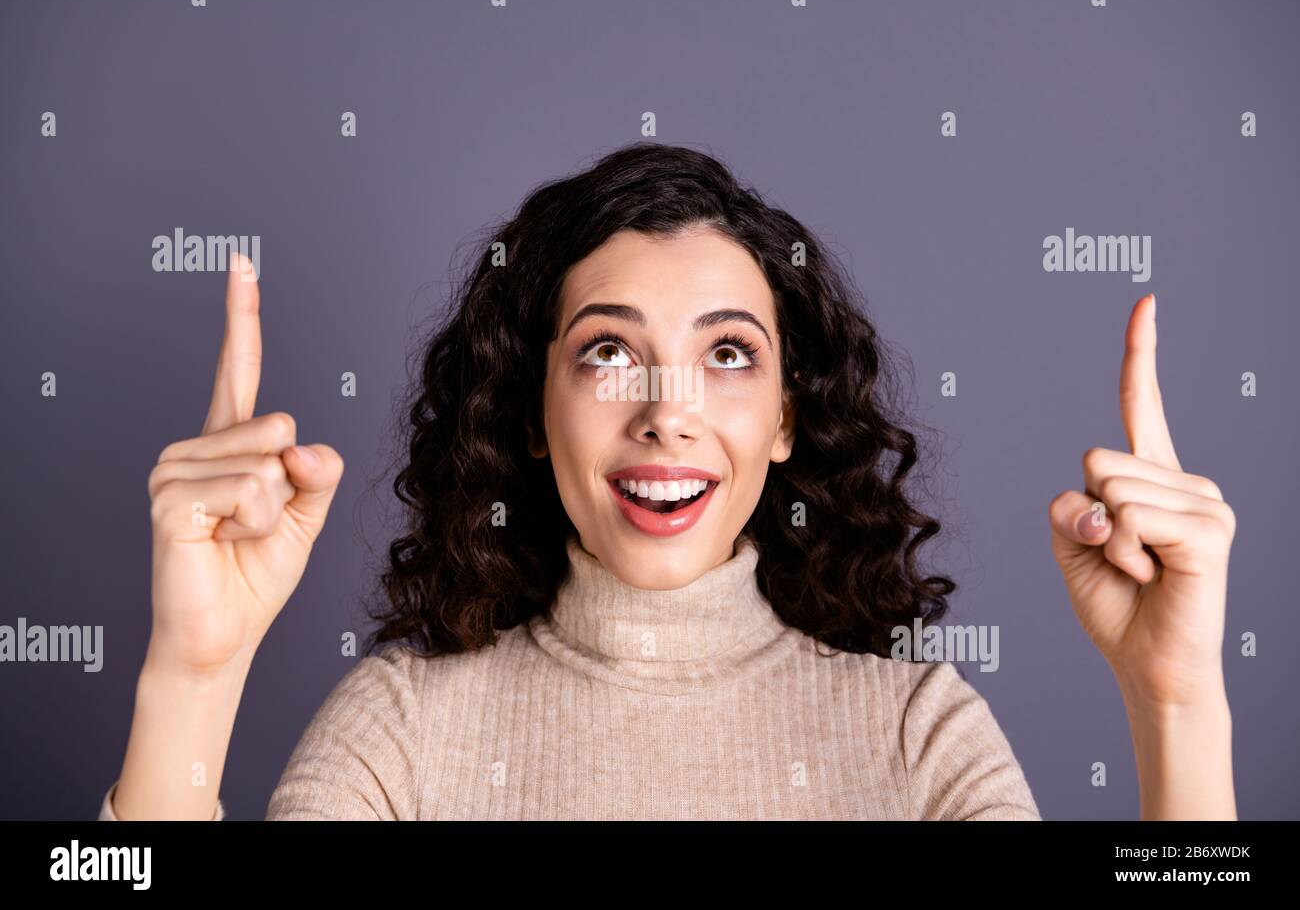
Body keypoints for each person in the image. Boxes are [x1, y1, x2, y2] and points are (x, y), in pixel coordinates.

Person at [101, 143, 1235, 820]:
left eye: (728, 353)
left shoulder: (918, 735)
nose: (666, 409)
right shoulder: (399, 736)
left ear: (786, 416)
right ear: (533, 417)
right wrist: (191, 674)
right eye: (605, 350)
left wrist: (1174, 702)